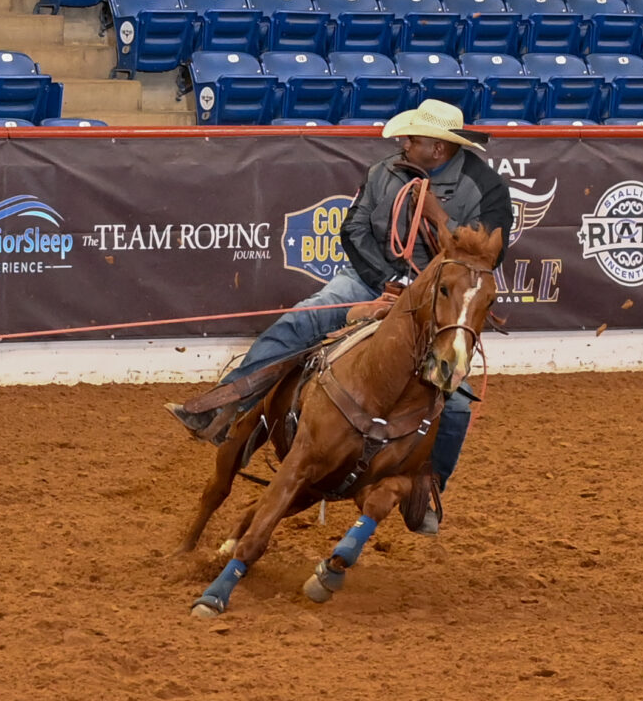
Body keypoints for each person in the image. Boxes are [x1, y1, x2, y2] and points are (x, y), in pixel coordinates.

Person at [169, 99, 513, 531]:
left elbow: (484, 262)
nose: (402, 143)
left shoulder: (487, 191)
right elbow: (353, 229)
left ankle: (426, 488)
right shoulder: (383, 173)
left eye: (413, 139)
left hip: (436, 303)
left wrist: (436, 222)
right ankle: (225, 405)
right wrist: (387, 280)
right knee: (302, 318)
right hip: (371, 281)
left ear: (440, 149)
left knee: (456, 403)